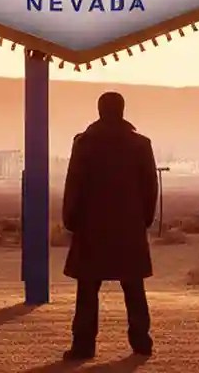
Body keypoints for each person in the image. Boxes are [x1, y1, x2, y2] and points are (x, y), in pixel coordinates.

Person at [61, 91, 158, 361]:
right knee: (133, 286)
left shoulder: (85, 144)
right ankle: (141, 341)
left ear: (100, 110)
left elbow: (74, 185)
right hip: (128, 228)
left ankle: (83, 345)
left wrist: (71, 219)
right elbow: (151, 188)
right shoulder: (140, 144)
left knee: (88, 290)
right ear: (122, 110)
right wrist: (143, 220)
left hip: (91, 228)